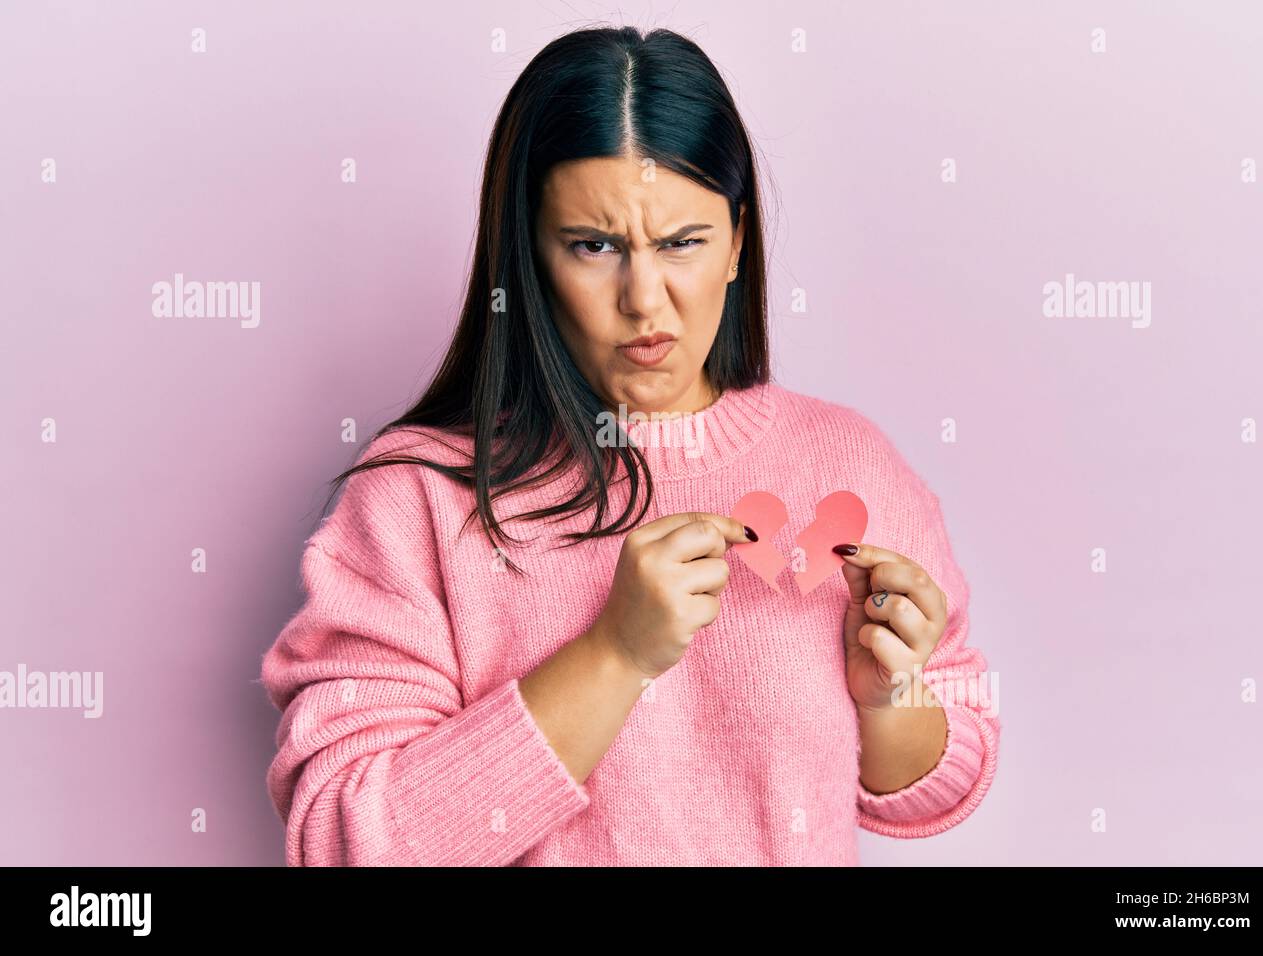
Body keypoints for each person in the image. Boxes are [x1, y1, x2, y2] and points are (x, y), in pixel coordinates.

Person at [259, 25, 999, 867]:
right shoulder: (414, 501)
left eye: (682, 244)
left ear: (738, 243)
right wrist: (614, 655)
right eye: (593, 246)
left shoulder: (851, 464)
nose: (645, 300)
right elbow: (347, 844)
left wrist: (890, 700)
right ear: (529, 257)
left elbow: (937, 779)